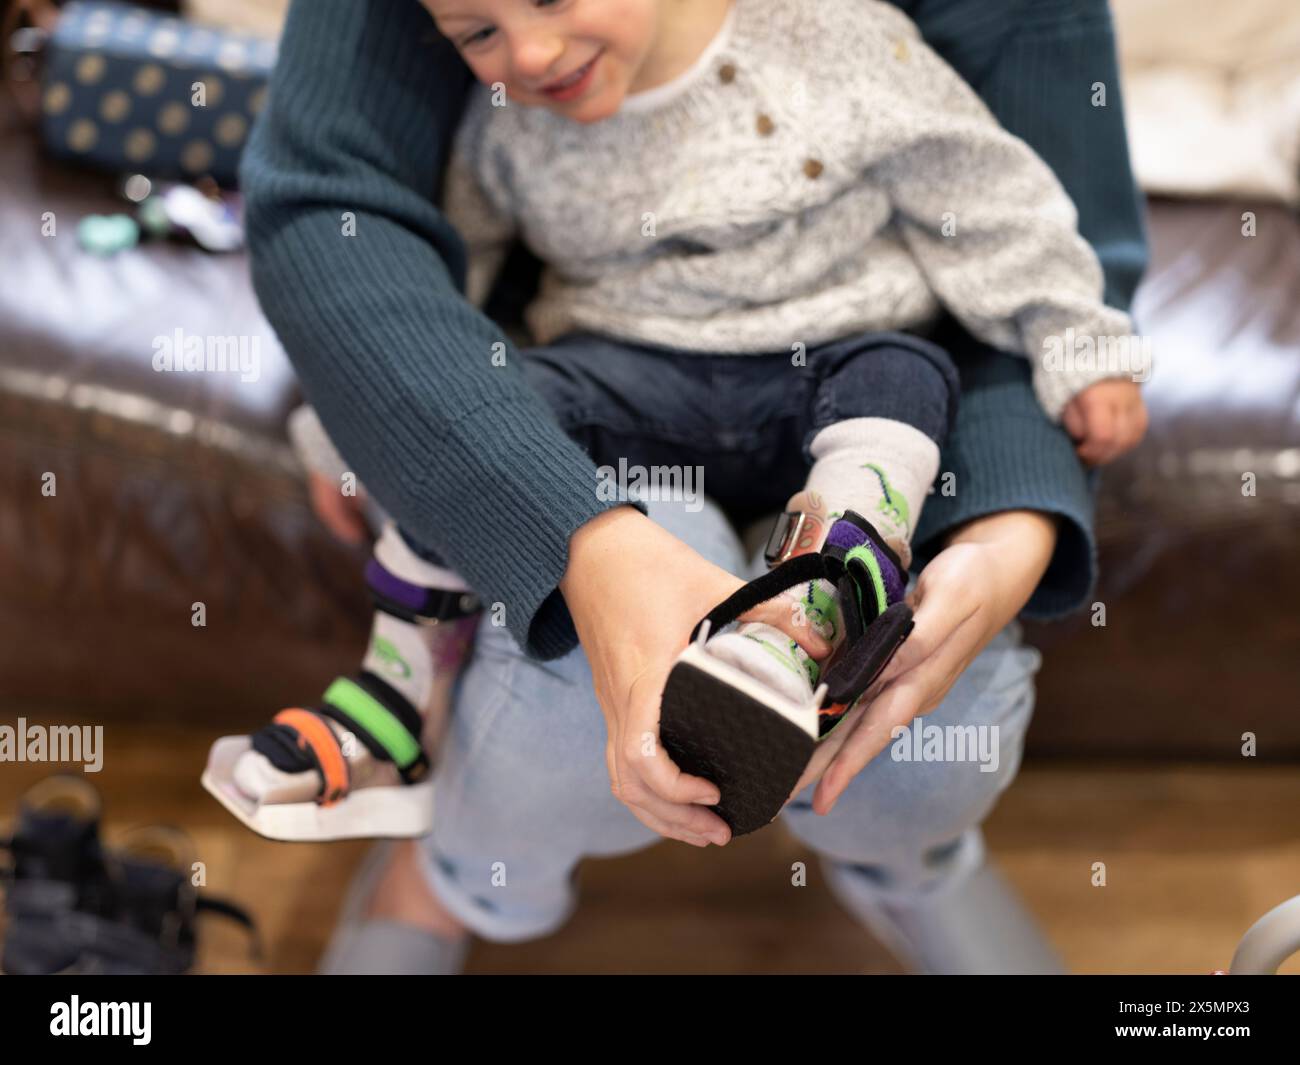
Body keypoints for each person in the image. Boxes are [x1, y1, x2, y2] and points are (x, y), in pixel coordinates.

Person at [239, 0, 1149, 972]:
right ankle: (426, 788)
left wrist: (1077, 339)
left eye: (549, 1)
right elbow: (434, 286)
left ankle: (825, 606)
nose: (531, 54)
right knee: (527, 428)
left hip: (830, 370)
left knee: (904, 380)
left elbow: (988, 191)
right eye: (477, 35)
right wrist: (351, 423)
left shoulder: (836, 41)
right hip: (630, 375)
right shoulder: (505, 118)